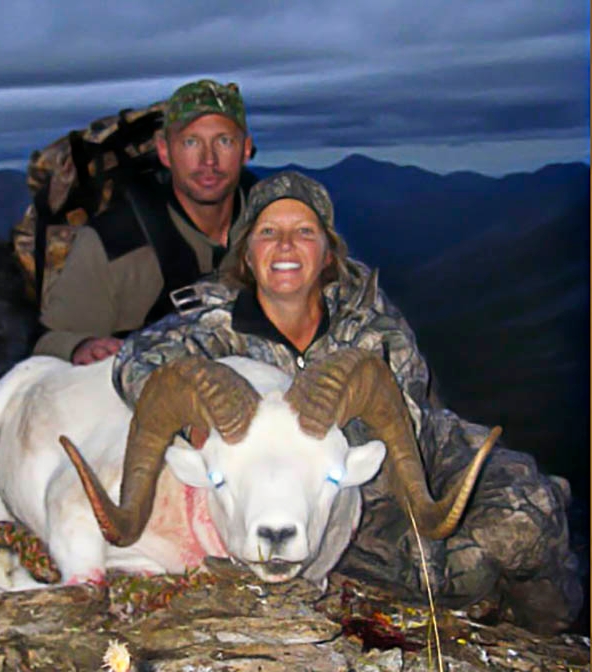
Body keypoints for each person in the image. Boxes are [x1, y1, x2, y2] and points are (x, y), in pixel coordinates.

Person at [112, 170, 582, 632]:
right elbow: (136, 363)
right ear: (247, 256)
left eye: (305, 233)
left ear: (328, 254)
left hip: (401, 464)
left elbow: (410, 420)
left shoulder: (373, 324)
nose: (286, 246)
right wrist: (196, 423)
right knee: (460, 567)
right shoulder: (215, 327)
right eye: (268, 233)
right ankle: (496, 621)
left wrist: (417, 492)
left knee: (533, 509)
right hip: (321, 500)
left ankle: (555, 637)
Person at [32, 79, 258, 364]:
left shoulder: (280, 231)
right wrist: (81, 347)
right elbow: (49, 341)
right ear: (164, 151)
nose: (208, 160)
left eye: (224, 141)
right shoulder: (114, 244)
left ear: (246, 149)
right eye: (191, 142)